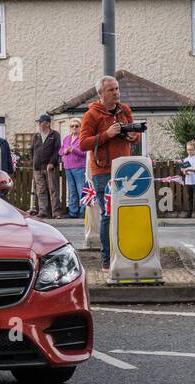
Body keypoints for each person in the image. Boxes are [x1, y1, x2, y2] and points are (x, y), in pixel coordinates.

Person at [79, 75, 141, 271]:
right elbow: (83, 144)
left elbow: (135, 139)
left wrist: (133, 136)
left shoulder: (125, 110)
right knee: (107, 214)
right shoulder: (91, 115)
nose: (116, 93)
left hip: (125, 168)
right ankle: (106, 260)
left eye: (117, 89)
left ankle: (126, 253)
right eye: (111, 90)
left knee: (125, 212)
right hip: (103, 170)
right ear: (101, 94)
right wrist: (107, 135)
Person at [31, 114, 62, 218]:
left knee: (53, 190)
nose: (40, 124)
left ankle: (56, 213)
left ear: (48, 123)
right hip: (38, 168)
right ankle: (43, 211)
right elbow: (32, 151)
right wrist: (34, 162)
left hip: (50, 167)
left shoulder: (55, 134)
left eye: (42, 122)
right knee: (41, 190)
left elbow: (57, 150)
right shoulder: (36, 136)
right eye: (39, 123)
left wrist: (52, 163)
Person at [59, 119, 87, 218]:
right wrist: (64, 151)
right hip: (68, 167)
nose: (74, 128)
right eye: (72, 126)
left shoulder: (82, 138)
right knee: (72, 191)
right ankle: (72, 212)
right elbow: (60, 151)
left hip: (79, 167)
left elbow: (85, 153)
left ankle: (83, 212)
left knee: (81, 191)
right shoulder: (66, 138)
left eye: (76, 126)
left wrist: (73, 150)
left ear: (80, 127)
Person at [179, 140, 195, 218]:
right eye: (188, 149)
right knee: (189, 198)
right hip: (188, 182)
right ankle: (189, 213)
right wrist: (184, 172)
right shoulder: (186, 159)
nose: (189, 151)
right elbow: (183, 170)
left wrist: (189, 170)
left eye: (191, 149)